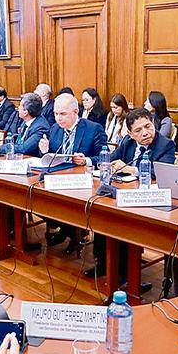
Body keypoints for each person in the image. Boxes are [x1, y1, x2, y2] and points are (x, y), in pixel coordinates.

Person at [86, 108, 175, 283]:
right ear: (130, 133)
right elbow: (111, 158)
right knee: (102, 214)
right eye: (138, 130)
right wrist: (109, 164)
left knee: (124, 222)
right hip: (122, 194)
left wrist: (131, 169)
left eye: (148, 126)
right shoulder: (128, 142)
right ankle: (104, 263)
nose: (145, 133)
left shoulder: (165, 145)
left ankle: (127, 274)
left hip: (149, 202)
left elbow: (162, 171)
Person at [41, 93, 108, 252]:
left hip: (82, 183)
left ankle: (73, 232)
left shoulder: (93, 129)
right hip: (58, 179)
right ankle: (70, 231)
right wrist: (44, 149)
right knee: (37, 200)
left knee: (69, 205)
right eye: (56, 114)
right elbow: (52, 154)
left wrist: (87, 160)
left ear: (76, 112)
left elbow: (105, 157)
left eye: (62, 114)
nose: (58, 118)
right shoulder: (55, 128)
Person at [8, 92, 50, 157]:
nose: (18, 108)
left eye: (20, 106)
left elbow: (24, 148)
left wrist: (1, 148)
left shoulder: (40, 127)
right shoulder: (27, 121)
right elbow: (18, 142)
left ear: (25, 112)